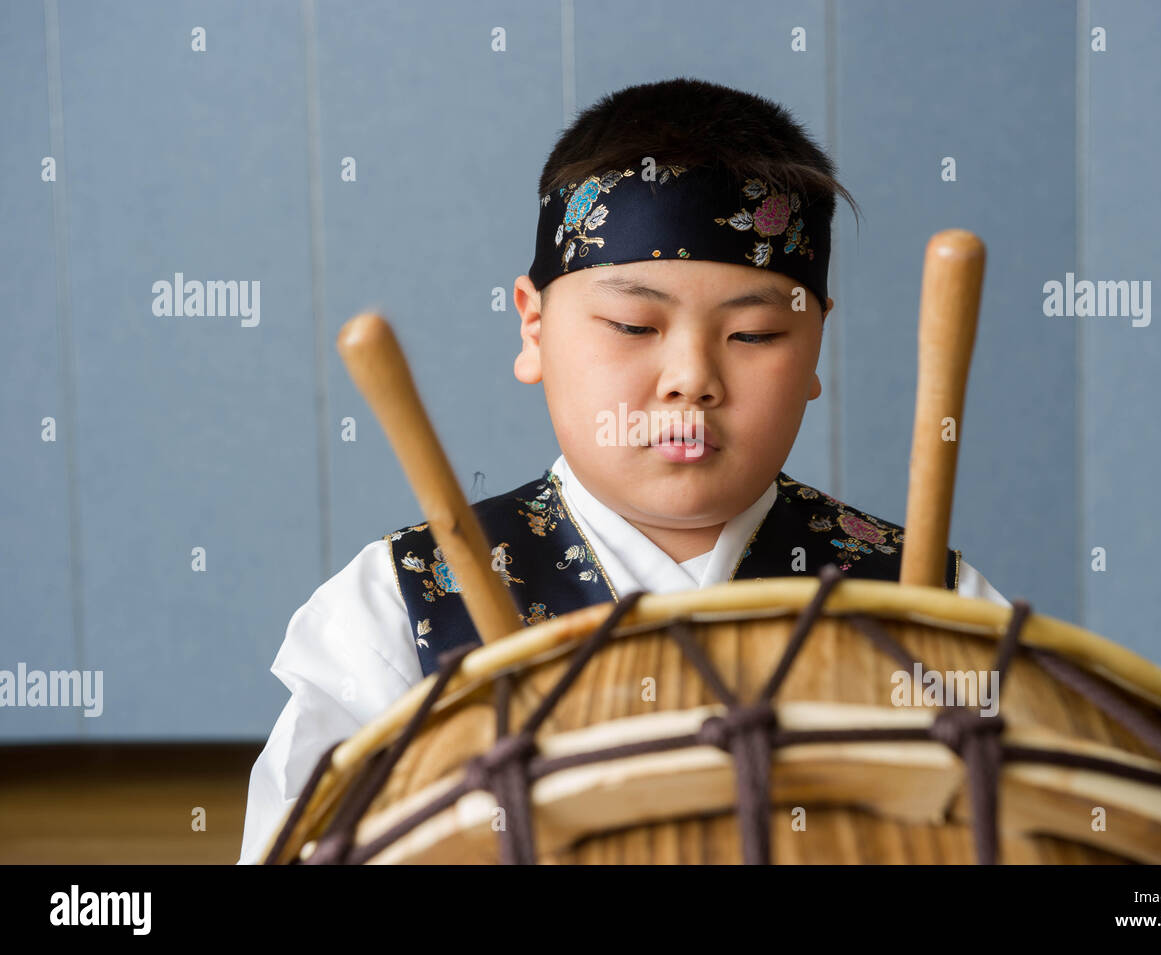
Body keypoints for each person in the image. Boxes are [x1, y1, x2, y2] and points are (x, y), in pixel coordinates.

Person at [238, 77, 1010, 864]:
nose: (691, 377)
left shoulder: (932, 602)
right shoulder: (398, 609)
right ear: (533, 325)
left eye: (754, 333)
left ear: (814, 347)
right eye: (634, 323)